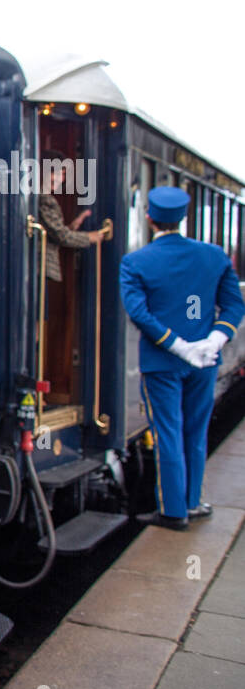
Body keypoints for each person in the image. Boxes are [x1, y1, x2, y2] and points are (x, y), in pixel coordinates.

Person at [119, 187, 244, 531]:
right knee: (195, 430)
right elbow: (234, 305)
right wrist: (213, 340)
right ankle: (193, 502)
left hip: (162, 363)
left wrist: (175, 344)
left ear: (149, 218)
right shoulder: (214, 256)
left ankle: (174, 512)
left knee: (169, 433)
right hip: (204, 362)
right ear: (184, 219)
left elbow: (139, 313)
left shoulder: (136, 262)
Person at [38, 149, 105, 283]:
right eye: (55, 173)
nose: (60, 179)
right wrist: (91, 237)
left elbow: (53, 231)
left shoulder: (39, 196)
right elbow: (61, 236)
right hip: (41, 266)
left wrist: (70, 227)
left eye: (62, 174)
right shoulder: (44, 199)